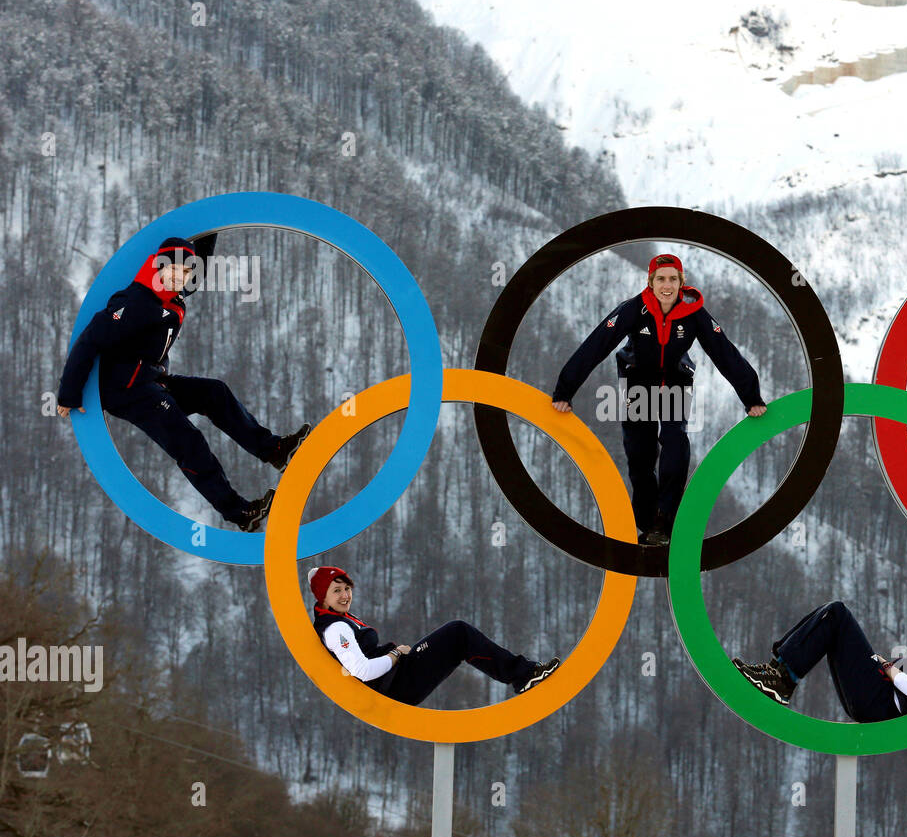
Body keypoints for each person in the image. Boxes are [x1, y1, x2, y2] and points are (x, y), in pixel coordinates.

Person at [56, 236, 311, 532]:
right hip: (126, 390)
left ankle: (275, 451)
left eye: (185, 272)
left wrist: (211, 227)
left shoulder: (173, 291)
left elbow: (196, 269)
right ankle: (239, 512)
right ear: (157, 266)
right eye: (173, 270)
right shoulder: (136, 301)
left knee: (214, 393)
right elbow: (89, 341)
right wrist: (69, 394)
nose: (179, 277)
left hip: (152, 381)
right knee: (189, 441)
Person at [551, 253, 767, 545]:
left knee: (675, 443)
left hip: (675, 383)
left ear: (682, 282)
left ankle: (666, 519)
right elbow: (596, 344)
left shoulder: (694, 313)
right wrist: (565, 391)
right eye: (661, 279)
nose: (667, 285)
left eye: (673, 279)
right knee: (640, 456)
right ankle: (648, 523)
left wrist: (751, 397)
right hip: (637, 383)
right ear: (650, 282)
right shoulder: (633, 310)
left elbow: (724, 352)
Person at [308, 566, 561, 704]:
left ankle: (523, 674)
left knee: (458, 635)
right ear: (323, 597)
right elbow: (361, 670)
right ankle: (523, 675)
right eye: (336, 591)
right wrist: (396, 654)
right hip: (394, 686)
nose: (345, 596)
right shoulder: (336, 628)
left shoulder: (339, 620)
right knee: (458, 632)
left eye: (347, 588)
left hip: (395, 679)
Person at [732, 599, 907, 721]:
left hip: (882, 702)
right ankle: (778, 673)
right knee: (830, 617)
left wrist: (888, 668)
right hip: (878, 699)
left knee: (837, 614)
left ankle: (781, 678)